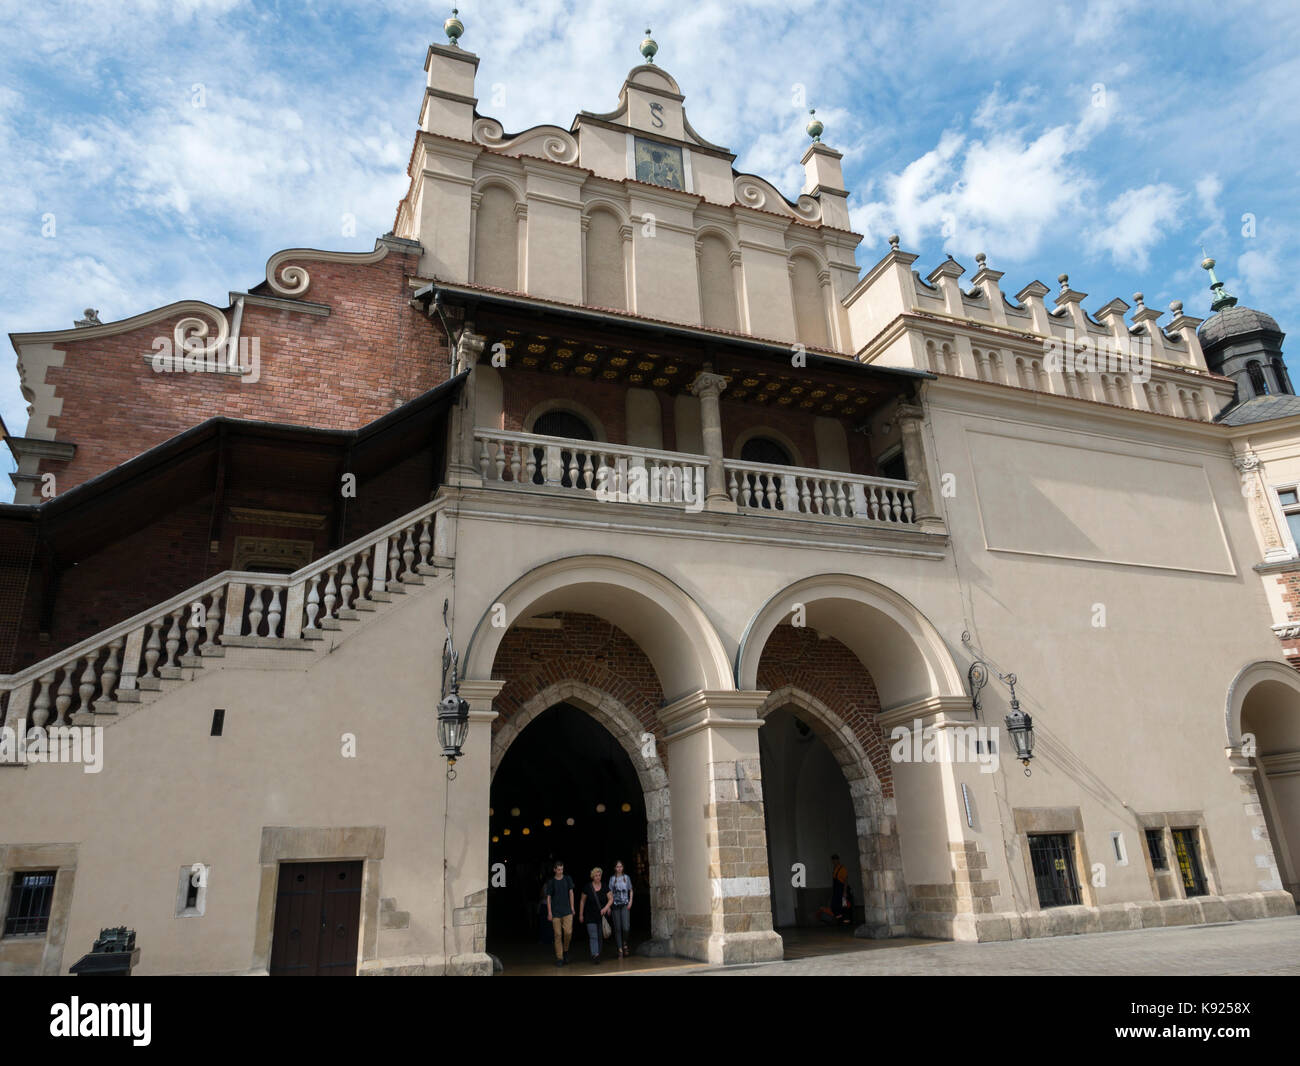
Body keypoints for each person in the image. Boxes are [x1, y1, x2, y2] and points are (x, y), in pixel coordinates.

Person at [544, 860, 575, 966]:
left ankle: (565, 950)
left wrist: (572, 907)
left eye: (562, 869)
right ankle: (560, 957)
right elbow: (548, 897)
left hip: (567, 911)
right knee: (557, 935)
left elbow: (571, 893)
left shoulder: (567, 879)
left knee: (568, 932)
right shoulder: (551, 882)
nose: (560, 871)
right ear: (554, 870)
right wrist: (549, 912)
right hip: (556, 912)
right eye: (558, 869)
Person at [578, 866, 611, 963]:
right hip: (590, 915)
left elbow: (611, 899)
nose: (598, 877)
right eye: (596, 875)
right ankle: (595, 955)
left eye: (599, 875)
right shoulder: (587, 887)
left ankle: (598, 953)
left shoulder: (604, 886)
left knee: (600, 936)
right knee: (593, 936)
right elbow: (582, 901)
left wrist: (606, 908)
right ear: (592, 876)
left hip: (601, 916)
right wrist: (581, 914)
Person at [608, 859, 634, 958]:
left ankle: (625, 942)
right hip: (615, 905)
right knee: (617, 928)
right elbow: (609, 893)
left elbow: (630, 890)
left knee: (626, 927)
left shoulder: (626, 878)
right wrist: (609, 906)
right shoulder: (612, 879)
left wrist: (630, 901)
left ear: (623, 868)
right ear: (615, 868)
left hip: (624, 904)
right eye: (617, 867)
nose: (619, 868)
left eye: (621, 866)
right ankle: (619, 949)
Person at [831, 854, 853, 925]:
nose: (834, 862)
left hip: (842, 891)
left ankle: (846, 921)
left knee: (844, 906)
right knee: (835, 905)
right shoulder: (835, 868)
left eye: (835, 860)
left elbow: (845, 881)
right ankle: (840, 920)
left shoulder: (842, 869)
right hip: (836, 891)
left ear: (838, 860)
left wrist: (844, 892)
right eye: (833, 860)